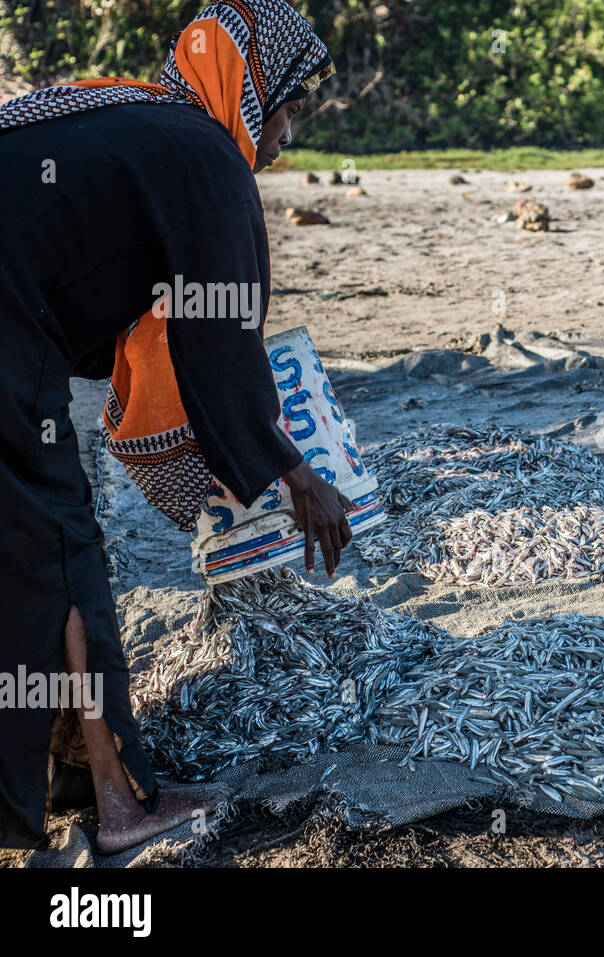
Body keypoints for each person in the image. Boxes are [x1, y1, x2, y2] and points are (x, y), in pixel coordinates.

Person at [0, 0, 354, 853]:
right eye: (289, 109)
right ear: (251, 87)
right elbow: (221, 337)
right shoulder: (206, 160)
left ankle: (61, 765)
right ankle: (121, 804)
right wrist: (292, 470)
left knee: (15, 542)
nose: (286, 139)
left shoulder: (134, 113)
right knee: (57, 543)